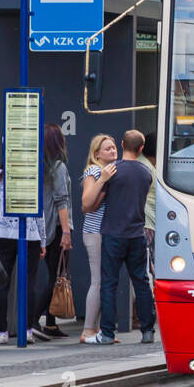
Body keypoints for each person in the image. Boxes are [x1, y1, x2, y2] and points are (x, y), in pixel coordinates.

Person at [85, 130, 156, 345]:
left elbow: (91, 203)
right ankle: (147, 331)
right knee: (142, 283)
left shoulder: (112, 171)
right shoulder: (146, 173)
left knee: (109, 283)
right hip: (137, 233)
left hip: (113, 233)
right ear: (141, 148)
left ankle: (106, 332)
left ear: (123, 144)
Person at [0, 162, 47, 343]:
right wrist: (42, 238)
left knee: (1, 284)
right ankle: (28, 330)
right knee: (29, 283)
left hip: (2, 233)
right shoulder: (33, 170)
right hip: (30, 233)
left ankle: (2, 332)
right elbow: (39, 208)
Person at [34, 124, 73, 337]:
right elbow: (61, 201)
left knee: (53, 274)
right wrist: (66, 232)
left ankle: (50, 322)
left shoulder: (42, 166)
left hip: (45, 226)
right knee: (57, 277)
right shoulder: (58, 167)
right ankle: (33, 318)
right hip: (58, 227)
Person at [78, 134, 115, 343]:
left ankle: (97, 328)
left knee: (103, 281)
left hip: (100, 231)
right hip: (95, 232)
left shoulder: (108, 170)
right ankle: (88, 329)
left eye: (113, 147)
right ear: (97, 154)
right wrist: (103, 179)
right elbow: (86, 202)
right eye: (107, 149)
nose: (112, 151)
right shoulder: (95, 171)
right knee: (98, 281)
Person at [139, 132, 158, 282]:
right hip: (147, 223)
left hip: (148, 221)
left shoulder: (145, 163)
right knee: (149, 266)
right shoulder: (146, 168)